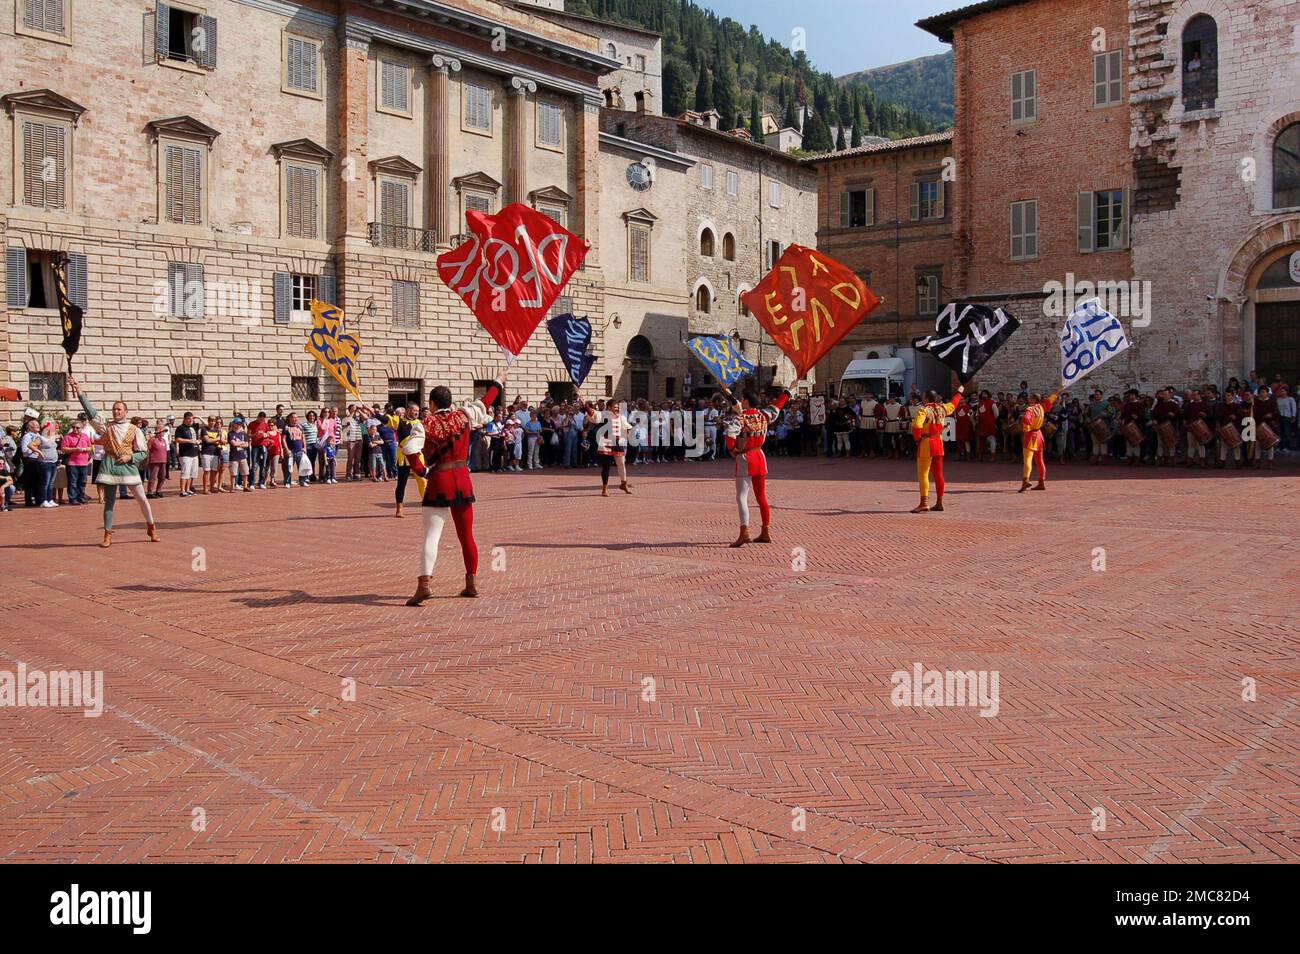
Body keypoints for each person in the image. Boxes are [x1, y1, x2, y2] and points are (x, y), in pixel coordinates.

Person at [404, 374, 505, 604]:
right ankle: (471, 583)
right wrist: (497, 382)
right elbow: (487, 401)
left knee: (432, 536)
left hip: (439, 480)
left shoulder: (425, 424)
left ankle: (424, 585)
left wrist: (421, 470)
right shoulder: (464, 415)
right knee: (466, 535)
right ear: (450, 402)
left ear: (432, 404)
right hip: (462, 478)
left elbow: (410, 448)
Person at [68, 375, 158, 546]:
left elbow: (143, 452)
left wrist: (130, 456)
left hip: (128, 467)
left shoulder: (134, 429)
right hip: (109, 467)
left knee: (142, 499)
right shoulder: (106, 426)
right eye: (114, 409)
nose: (116, 411)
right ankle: (107, 534)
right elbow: (90, 410)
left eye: (119, 409)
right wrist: (78, 388)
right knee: (109, 502)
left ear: (126, 411)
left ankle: (151, 526)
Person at [721, 385, 791, 547]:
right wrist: (787, 392)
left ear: (745, 401)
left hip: (745, 457)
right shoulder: (763, 415)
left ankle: (744, 531)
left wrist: (733, 449)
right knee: (761, 497)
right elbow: (778, 406)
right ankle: (765, 530)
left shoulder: (740, 418)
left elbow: (730, 436)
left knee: (741, 497)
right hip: (759, 456)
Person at [910, 386, 964, 513]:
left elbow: (917, 425)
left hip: (926, 443)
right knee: (938, 474)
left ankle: (924, 502)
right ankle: (939, 502)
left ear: (926, 398)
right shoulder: (942, 408)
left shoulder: (923, 410)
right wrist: (959, 392)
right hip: (938, 442)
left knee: (923, 474)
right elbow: (954, 403)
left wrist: (917, 439)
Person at [1019, 390, 1060, 492]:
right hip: (1039, 435)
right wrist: (1055, 394)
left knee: (1027, 460)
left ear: (1033, 399)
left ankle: (1026, 480)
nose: (1028, 399)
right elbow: (1050, 401)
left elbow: (1026, 419)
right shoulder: (1041, 407)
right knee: (1040, 461)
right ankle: (1041, 482)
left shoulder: (1030, 409)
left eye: (1030, 398)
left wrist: (1026, 426)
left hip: (1031, 435)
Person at [394, 403, 425, 518]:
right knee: (402, 483)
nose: (416, 412)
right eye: (414, 410)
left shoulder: (421, 423)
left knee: (423, 480)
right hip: (404, 456)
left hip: (417, 455)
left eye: (418, 410)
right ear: (408, 410)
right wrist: (374, 412)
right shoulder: (400, 422)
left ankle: (426, 503)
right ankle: (399, 507)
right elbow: (385, 419)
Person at [596, 400, 632, 497]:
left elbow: (628, 428)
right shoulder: (603, 416)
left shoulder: (621, 417)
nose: (617, 409)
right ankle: (605, 489)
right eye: (615, 407)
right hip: (606, 443)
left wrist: (623, 437)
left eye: (617, 407)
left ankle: (624, 484)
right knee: (606, 466)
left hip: (617, 443)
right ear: (608, 407)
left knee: (621, 463)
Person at [60, 417, 93, 505]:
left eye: (77, 428)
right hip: (72, 463)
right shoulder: (68, 437)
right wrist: (74, 449)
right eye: (73, 427)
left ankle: (81, 497)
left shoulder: (85, 436)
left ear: (81, 429)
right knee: (72, 482)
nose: (75, 429)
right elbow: (63, 448)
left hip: (84, 462)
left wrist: (85, 449)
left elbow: (90, 447)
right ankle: (72, 498)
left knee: (82, 481)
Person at [146, 424, 169, 497]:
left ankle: (159, 490)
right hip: (154, 461)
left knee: (162, 476)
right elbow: (148, 450)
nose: (164, 433)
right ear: (158, 432)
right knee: (153, 477)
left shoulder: (164, 440)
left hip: (163, 460)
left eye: (164, 432)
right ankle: (150, 492)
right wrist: (147, 460)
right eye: (163, 431)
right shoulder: (152, 440)